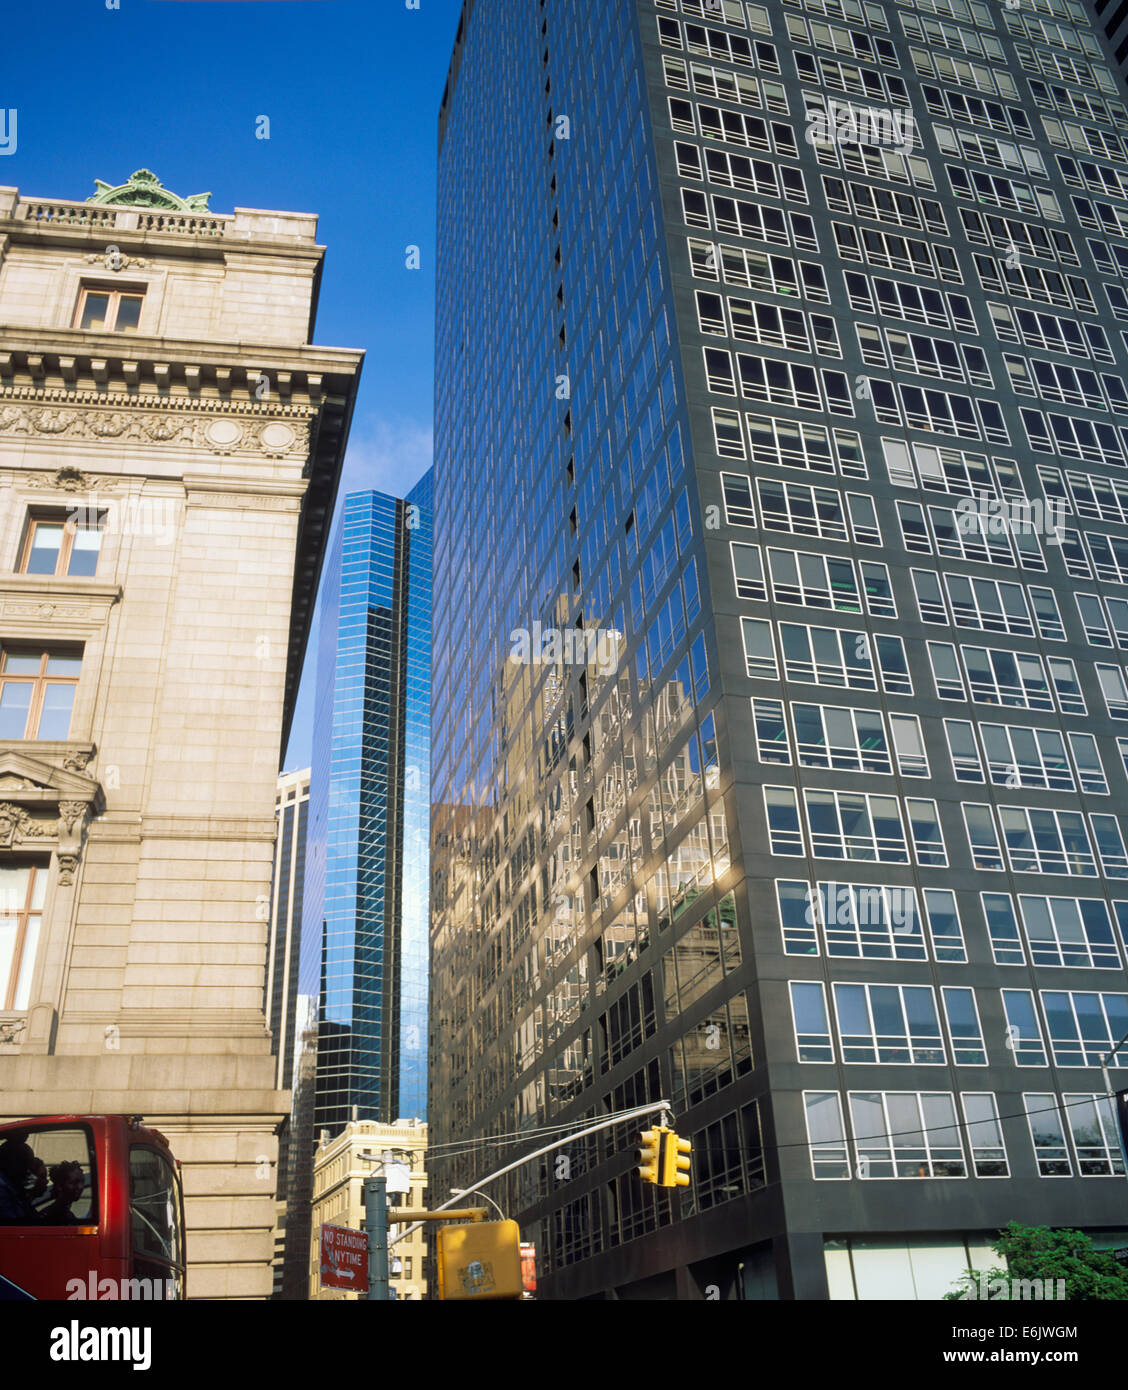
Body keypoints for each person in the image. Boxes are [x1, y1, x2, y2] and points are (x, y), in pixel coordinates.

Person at [0, 1133, 43, 1224]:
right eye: (26, 1165)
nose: (28, 1172)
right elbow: (15, 1225)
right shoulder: (3, 1191)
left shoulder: (13, 1189)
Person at [39, 1160, 85, 1224]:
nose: (80, 1187)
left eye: (82, 1182)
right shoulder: (52, 1216)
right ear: (59, 1186)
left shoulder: (66, 1213)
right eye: (74, 1182)